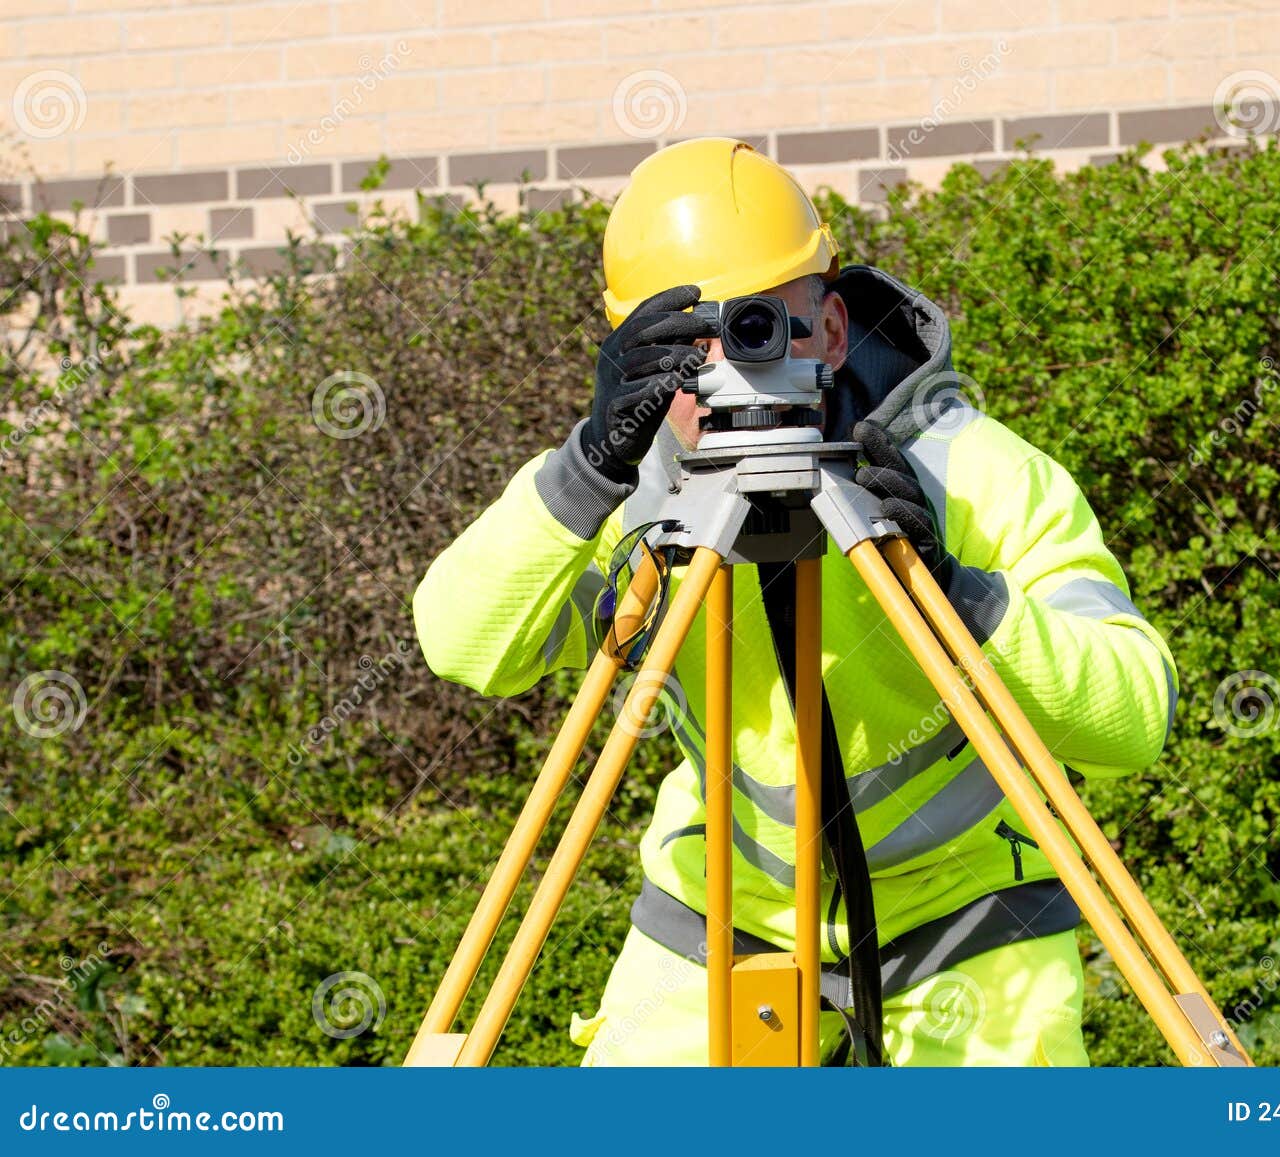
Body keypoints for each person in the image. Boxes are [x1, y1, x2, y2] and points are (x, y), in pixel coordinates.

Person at [412, 137, 1178, 1066]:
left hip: (967, 912)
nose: (731, 367)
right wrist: (587, 468)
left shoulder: (968, 473)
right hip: (718, 912)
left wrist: (954, 591)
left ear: (834, 325)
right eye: (685, 341)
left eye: (761, 324)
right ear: (629, 354)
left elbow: (1133, 720)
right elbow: (463, 645)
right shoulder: (632, 497)